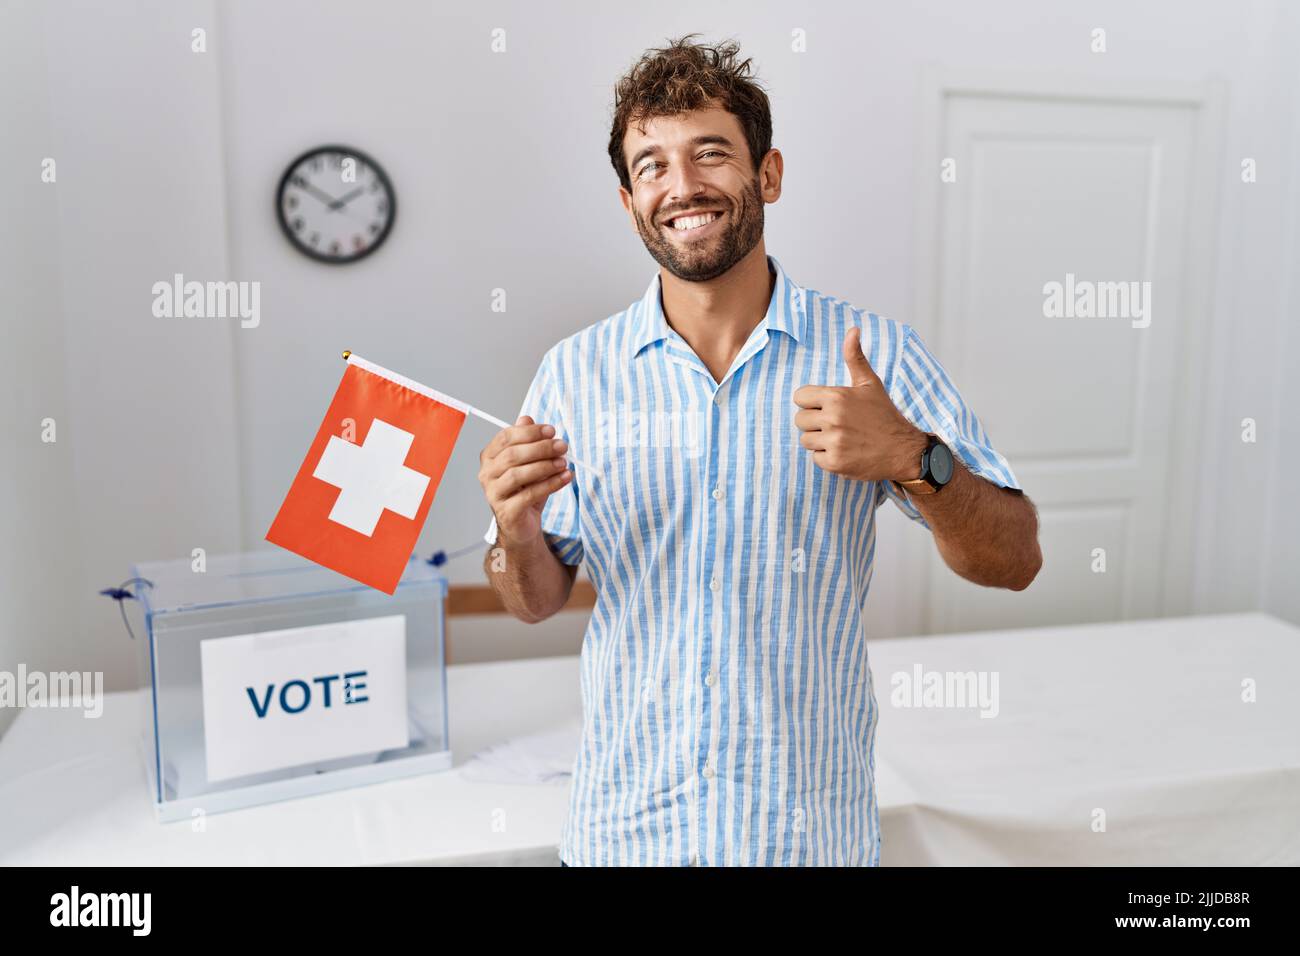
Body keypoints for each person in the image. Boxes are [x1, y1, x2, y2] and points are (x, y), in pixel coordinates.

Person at [478, 35, 1041, 867]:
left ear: (767, 174)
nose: (683, 186)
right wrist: (515, 532)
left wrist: (915, 459)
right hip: (623, 836)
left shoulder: (873, 356)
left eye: (711, 153)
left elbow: (1016, 559)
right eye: (652, 166)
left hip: (805, 838)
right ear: (629, 200)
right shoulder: (573, 373)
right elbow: (532, 599)